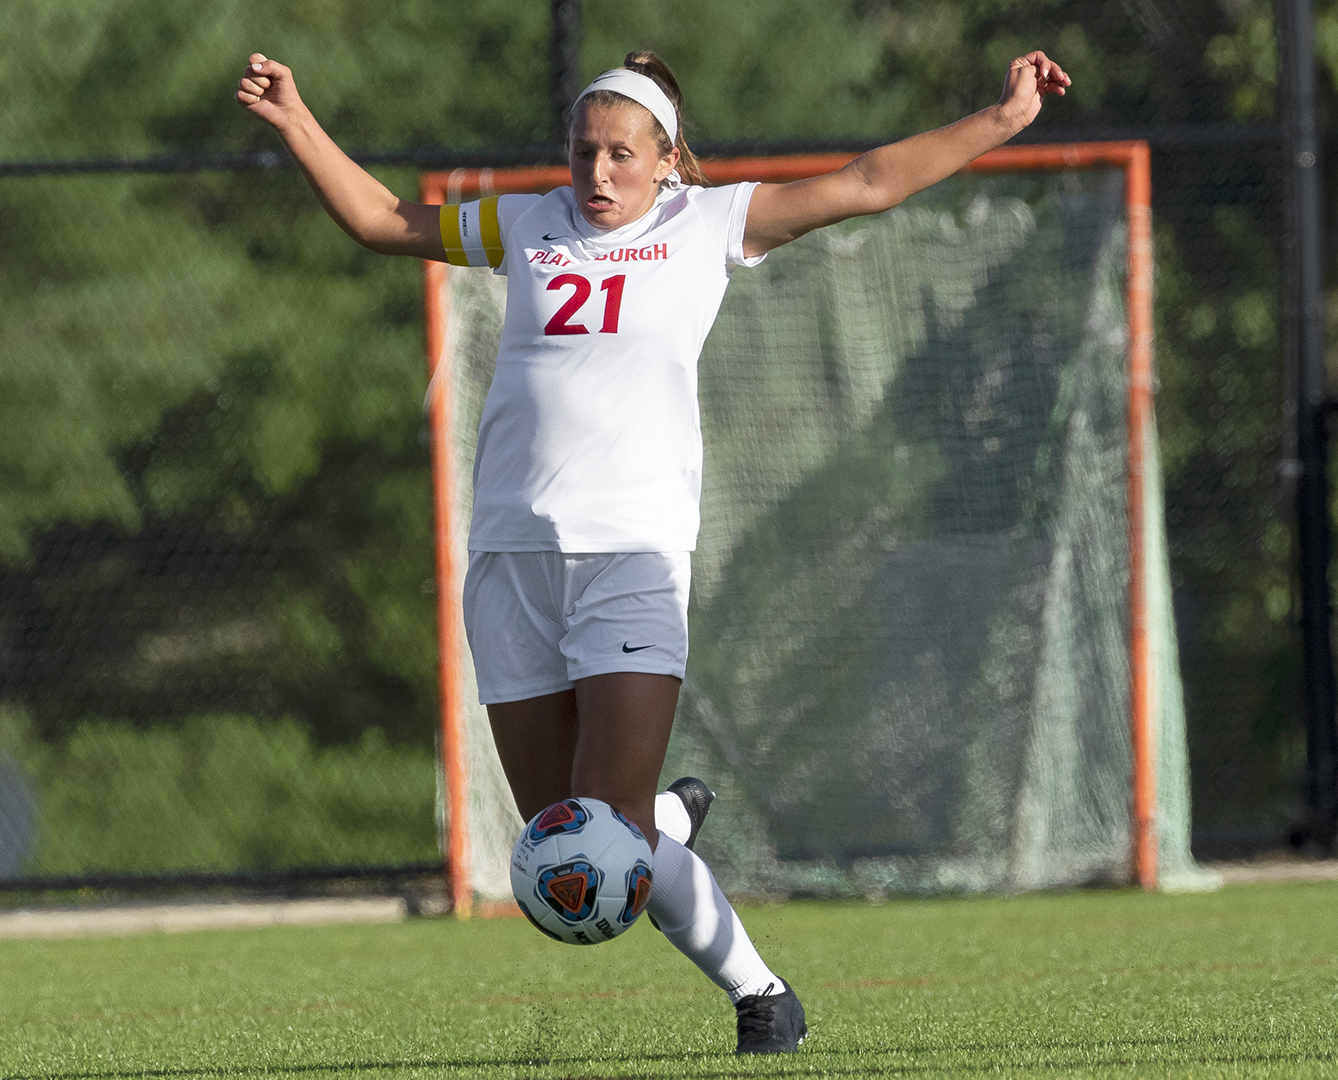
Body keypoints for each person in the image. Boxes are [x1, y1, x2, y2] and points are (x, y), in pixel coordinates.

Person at [236, 46, 1070, 1055]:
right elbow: (383, 222)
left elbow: (865, 182)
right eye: (584, 153)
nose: (598, 176)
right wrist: (296, 122)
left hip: (628, 558)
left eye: (622, 155)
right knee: (568, 861)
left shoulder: (708, 224)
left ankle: (763, 996)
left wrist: (1000, 117)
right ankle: (662, 827)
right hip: (509, 560)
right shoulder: (527, 222)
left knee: (607, 850)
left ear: (670, 160)